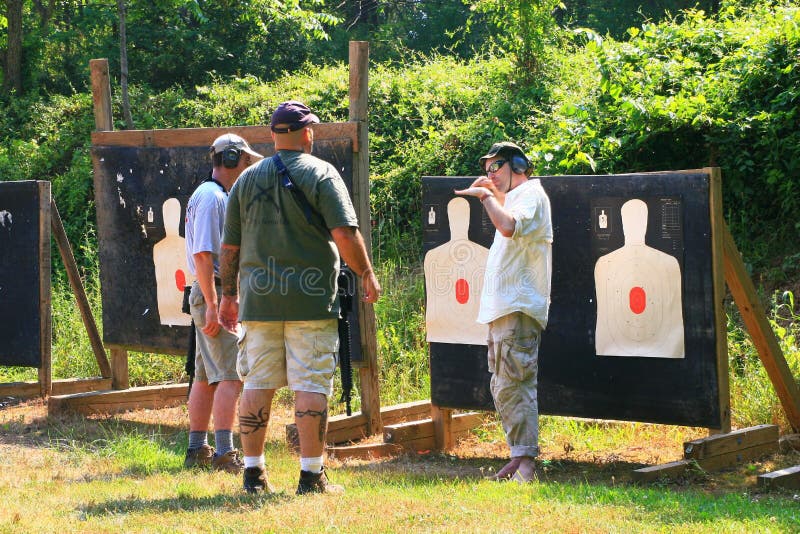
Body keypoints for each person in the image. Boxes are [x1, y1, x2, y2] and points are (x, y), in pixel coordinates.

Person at [218, 100, 381, 494]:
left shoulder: (246, 179)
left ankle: (253, 473)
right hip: (311, 299)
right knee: (310, 384)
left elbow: (229, 249)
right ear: (307, 133)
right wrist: (366, 272)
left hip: (258, 301)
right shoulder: (322, 173)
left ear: (274, 136)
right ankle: (311, 475)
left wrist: (228, 296)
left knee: (257, 383)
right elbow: (344, 233)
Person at [455, 141, 552, 483]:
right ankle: (518, 456)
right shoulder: (512, 198)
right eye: (487, 170)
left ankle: (526, 463)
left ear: (519, 165)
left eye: (497, 167)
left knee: (516, 383)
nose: (490, 175)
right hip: (504, 309)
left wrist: (485, 197)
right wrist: (492, 196)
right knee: (504, 385)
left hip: (519, 306)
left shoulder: (531, 196)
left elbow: (509, 226)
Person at [183, 133, 264, 473]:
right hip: (212, 290)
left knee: (205, 376)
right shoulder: (213, 198)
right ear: (231, 160)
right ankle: (223, 453)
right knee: (231, 375)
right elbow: (203, 255)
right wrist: (215, 304)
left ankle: (196, 449)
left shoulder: (212, 195)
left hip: (208, 292)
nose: (247, 167)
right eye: (244, 161)